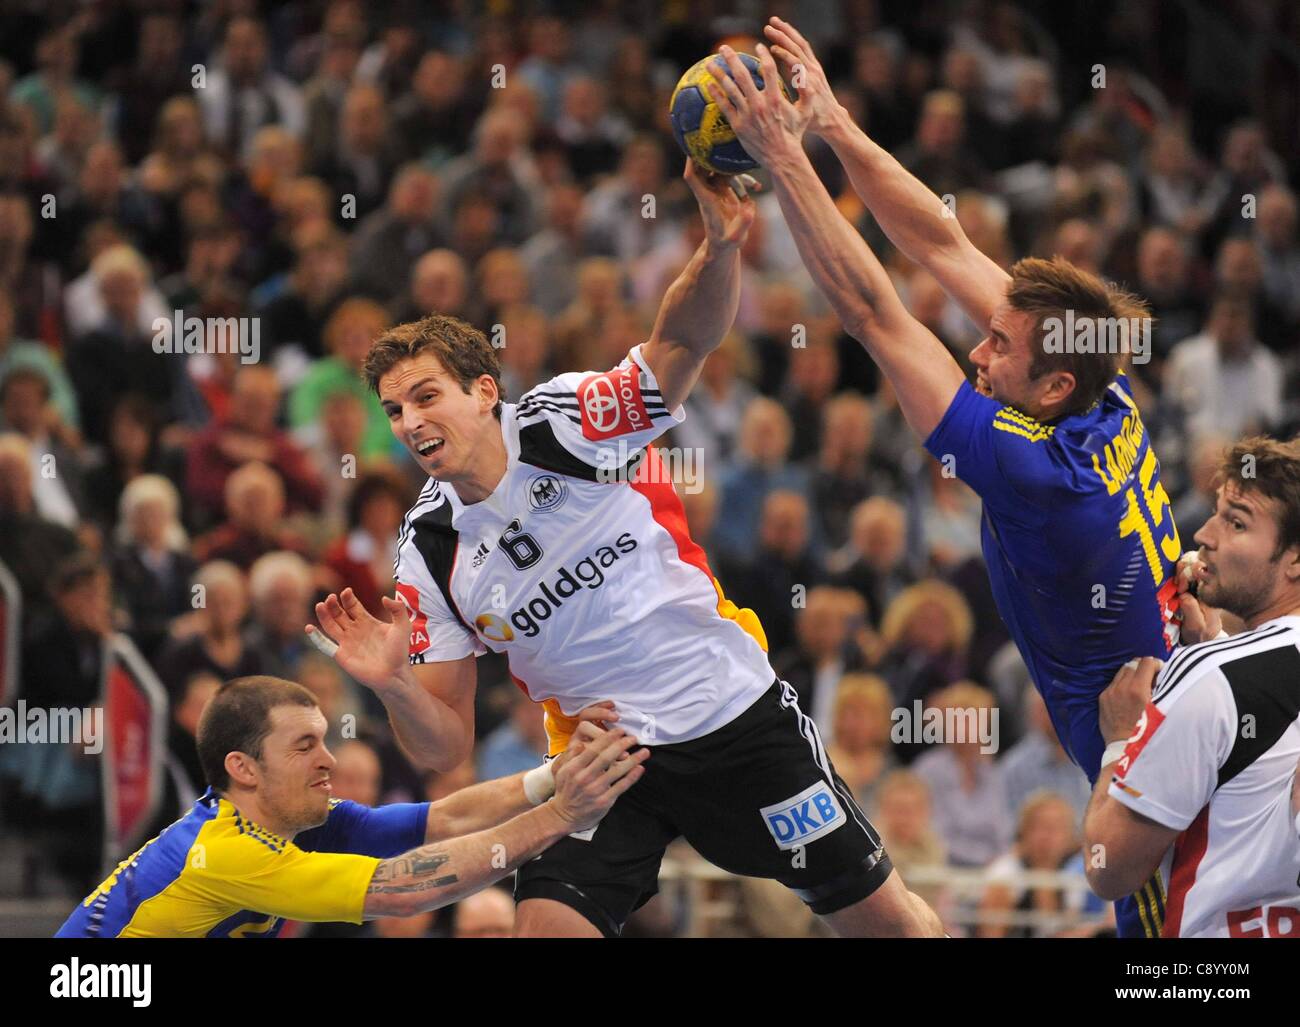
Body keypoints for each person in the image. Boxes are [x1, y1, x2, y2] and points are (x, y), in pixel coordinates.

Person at [315, 161, 943, 938]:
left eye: (425, 396)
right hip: (604, 758)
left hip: (730, 715)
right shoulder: (428, 548)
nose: (408, 422)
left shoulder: (560, 422)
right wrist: (394, 687)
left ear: (484, 391)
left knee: (891, 930)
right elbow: (445, 743)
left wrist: (718, 247)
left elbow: (680, 342)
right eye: (394, 410)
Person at [713, 19, 1187, 937]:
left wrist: (785, 160)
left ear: (1050, 385)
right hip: (1169, 740)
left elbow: (871, 313)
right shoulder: (1102, 386)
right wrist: (838, 126)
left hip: (1166, 804)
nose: (974, 349)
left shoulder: (1038, 470)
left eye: (997, 348)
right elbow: (941, 243)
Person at [56, 674, 646, 937]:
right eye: (305, 745)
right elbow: (403, 889)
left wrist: (551, 776)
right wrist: (561, 817)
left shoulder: (295, 821)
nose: (330, 761)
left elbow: (445, 819)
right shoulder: (225, 853)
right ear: (244, 768)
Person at [1083, 436, 1300, 937]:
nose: (1204, 534)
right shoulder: (1224, 672)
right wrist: (1221, 645)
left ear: (1295, 559)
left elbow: (1109, 869)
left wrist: (1119, 740)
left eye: (1236, 522)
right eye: (1216, 513)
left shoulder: (1212, 677)